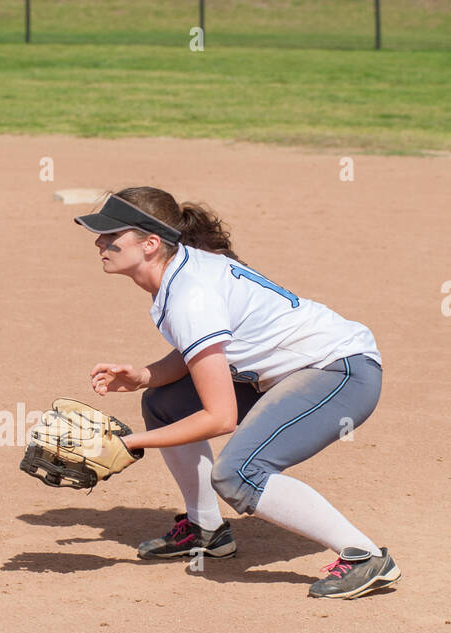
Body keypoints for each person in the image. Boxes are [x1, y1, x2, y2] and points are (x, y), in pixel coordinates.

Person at [75, 187, 400, 599]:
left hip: (338, 372)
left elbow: (220, 418)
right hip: (285, 372)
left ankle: (366, 557)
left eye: (111, 236)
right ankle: (206, 530)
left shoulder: (189, 294)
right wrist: (144, 376)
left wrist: (129, 444)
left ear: (151, 244)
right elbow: (201, 350)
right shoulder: (180, 272)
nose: (99, 243)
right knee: (164, 403)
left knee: (237, 474)